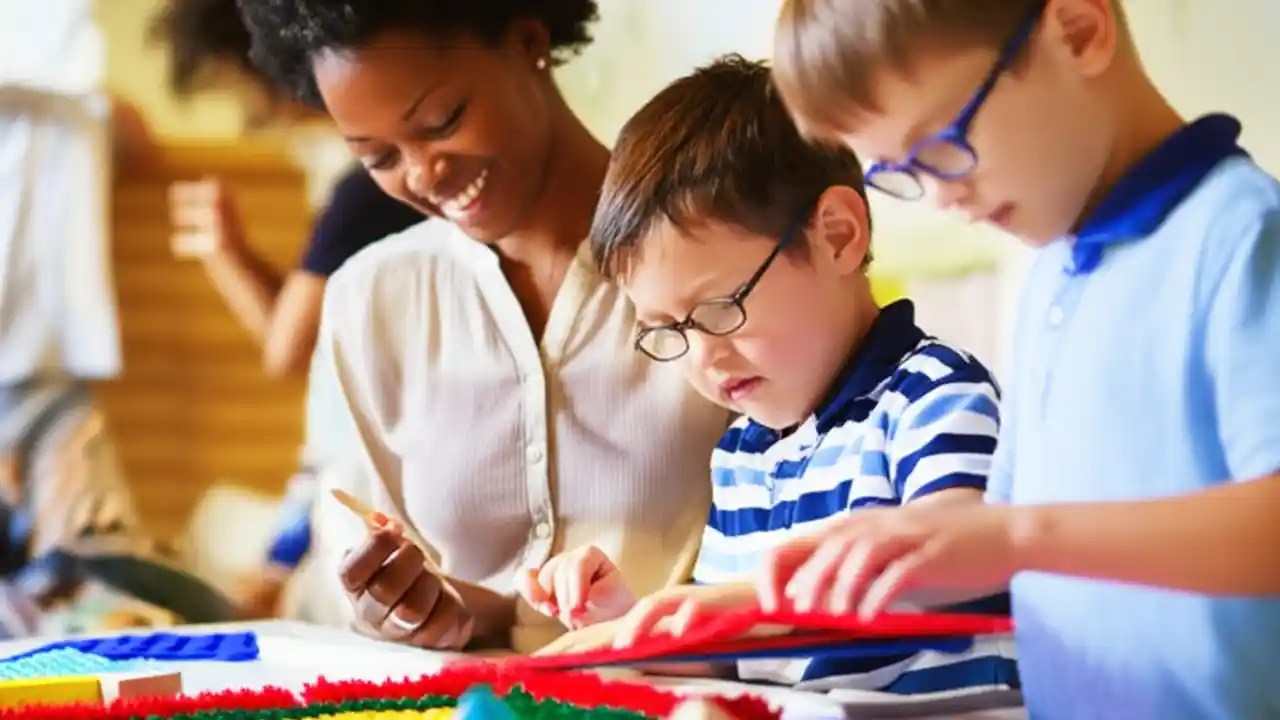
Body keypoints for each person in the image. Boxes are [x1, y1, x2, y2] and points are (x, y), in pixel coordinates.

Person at [760, 0, 1280, 717]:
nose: (941, 196)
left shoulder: (1241, 237)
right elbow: (999, 544)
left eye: (942, 141)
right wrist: (782, 589)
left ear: (1078, 30)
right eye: (902, 171)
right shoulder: (1050, 277)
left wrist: (1017, 535)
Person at [235, 0, 731, 652]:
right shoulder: (373, 298)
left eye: (443, 121)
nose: (421, 173)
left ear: (529, 42)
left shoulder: (720, 256)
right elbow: (351, 528)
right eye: (377, 156)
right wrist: (435, 606)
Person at [525, 56, 1016, 694]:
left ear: (836, 236)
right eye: (669, 330)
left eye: (718, 310)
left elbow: (959, 559)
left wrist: (752, 604)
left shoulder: (933, 397)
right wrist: (637, 625)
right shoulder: (742, 454)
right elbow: (738, 658)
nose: (702, 357)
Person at [152, 0, 426, 620]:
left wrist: (222, 253)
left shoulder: (366, 192)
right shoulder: (361, 191)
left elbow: (290, 349)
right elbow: (320, 328)